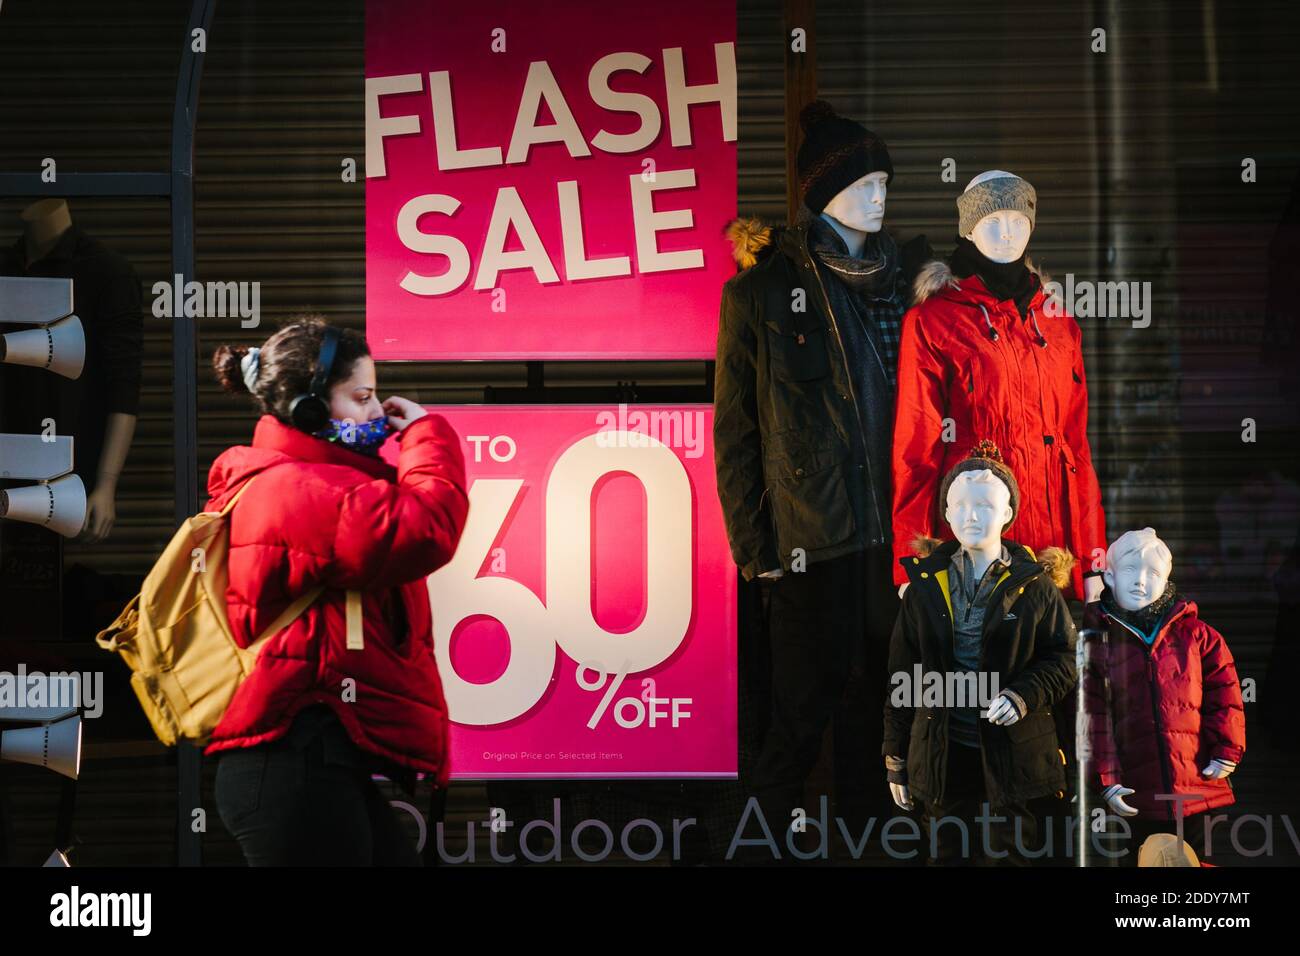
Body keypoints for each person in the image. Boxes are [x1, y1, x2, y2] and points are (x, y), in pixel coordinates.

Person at [714, 100, 931, 848]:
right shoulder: (762, 294)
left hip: (894, 539)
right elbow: (736, 431)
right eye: (866, 182)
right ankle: (758, 849)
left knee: (884, 713)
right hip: (811, 540)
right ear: (824, 193)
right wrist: (755, 549)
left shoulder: (908, 283)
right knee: (796, 718)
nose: (881, 195)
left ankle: (872, 850)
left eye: (884, 182)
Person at [205, 314, 469, 866]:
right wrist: (426, 434)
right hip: (290, 764)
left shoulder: (307, 482)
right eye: (363, 396)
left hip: (312, 756)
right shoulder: (299, 489)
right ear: (311, 409)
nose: (377, 412)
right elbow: (425, 529)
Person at [892, 171, 1107, 606]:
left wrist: (1093, 559)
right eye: (993, 220)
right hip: (978, 545)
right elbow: (916, 449)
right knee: (986, 667)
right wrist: (909, 561)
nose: (1008, 233)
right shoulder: (935, 320)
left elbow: (1076, 449)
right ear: (968, 228)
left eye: (1019, 220)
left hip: (1056, 550)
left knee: (1053, 669)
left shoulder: (1057, 321)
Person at [883, 441, 1077, 865]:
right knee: (946, 853)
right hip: (942, 754)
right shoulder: (923, 587)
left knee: (1009, 855)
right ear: (947, 513)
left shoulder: (1035, 587)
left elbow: (1064, 659)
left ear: (1008, 514)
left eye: (987, 505)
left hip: (1013, 757)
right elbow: (904, 675)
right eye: (961, 505)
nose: (973, 515)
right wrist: (896, 757)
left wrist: (1023, 694)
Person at [1084, 528, 1246, 866]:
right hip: (1136, 791)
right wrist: (1107, 779)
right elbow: (1091, 719)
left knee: (1196, 862)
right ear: (1110, 576)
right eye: (1131, 570)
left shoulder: (1199, 637)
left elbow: (1226, 697)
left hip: (1196, 785)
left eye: (1153, 573)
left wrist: (1226, 748)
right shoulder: (1096, 645)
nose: (1141, 581)